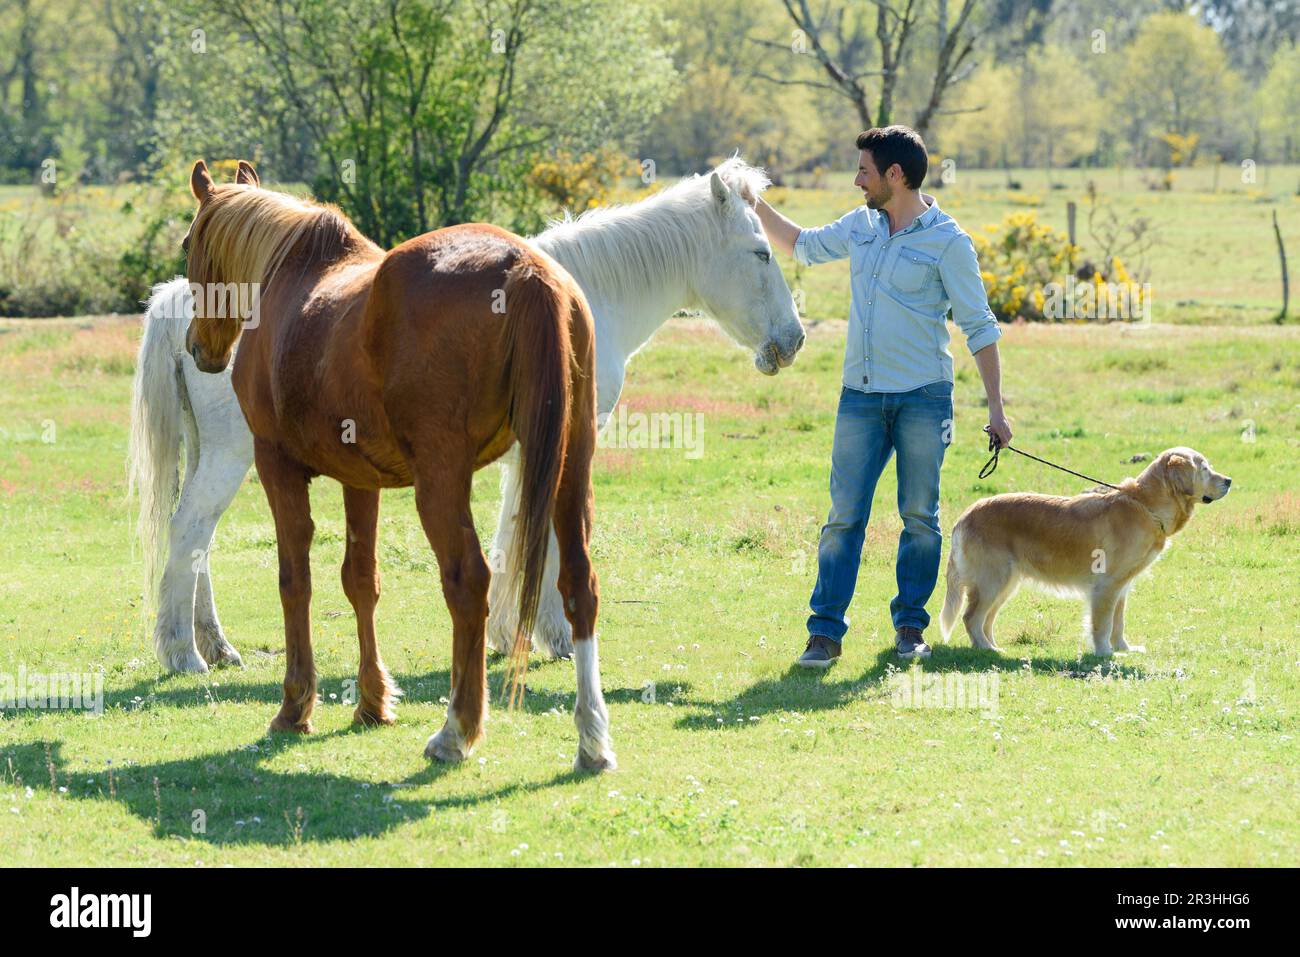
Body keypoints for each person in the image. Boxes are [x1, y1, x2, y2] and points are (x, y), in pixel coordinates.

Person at [755, 125, 1012, 666]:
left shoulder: (948, 242)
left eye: (864, 171)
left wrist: (996, 409)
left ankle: (910, 629)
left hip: (924, 398)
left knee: (919, 516)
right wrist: (752, 202)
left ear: (895, 175)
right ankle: (824, 633)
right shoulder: (861, 226)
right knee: (843, 517)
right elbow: (801, 245)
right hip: (861, 400)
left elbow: (980, 328)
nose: (857, 181)